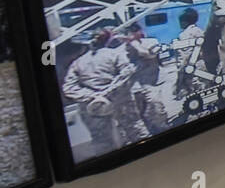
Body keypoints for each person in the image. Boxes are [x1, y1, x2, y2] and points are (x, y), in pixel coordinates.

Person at [61, 27, 148, 157]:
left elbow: (68, 87)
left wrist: (92, 95)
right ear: (108, 40)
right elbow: (127, 74)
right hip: (120, 102)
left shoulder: (78, 63)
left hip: (93, 107)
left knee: (101, 141)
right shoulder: (115, 55)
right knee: (136, 131)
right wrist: (107, 91)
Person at [122, 22, 167, 133]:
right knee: (139, 113)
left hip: (151, 83)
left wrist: (135, 44)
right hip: (134, 87)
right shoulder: (123, 49)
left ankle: (162, 128)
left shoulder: (151, 42)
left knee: (156, 107)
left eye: (133, 32)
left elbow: (149, 54)